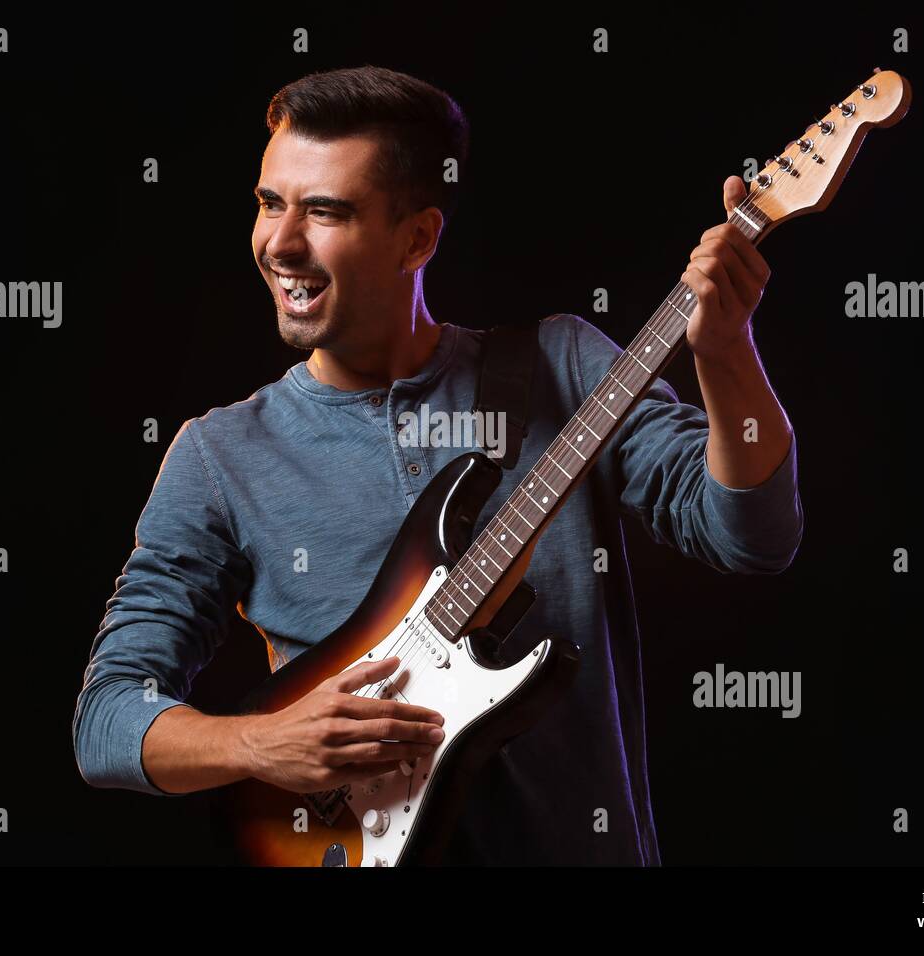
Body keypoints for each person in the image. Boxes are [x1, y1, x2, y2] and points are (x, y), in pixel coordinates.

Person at [73, 64, 804, 865]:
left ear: (418, 236)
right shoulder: (219, 454)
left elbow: (753, 536)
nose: (280, 243)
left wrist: (727, 351)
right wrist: (261, 744)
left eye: (325, 212)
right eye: (268, 203)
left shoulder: (564, 367)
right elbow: (107, 722)